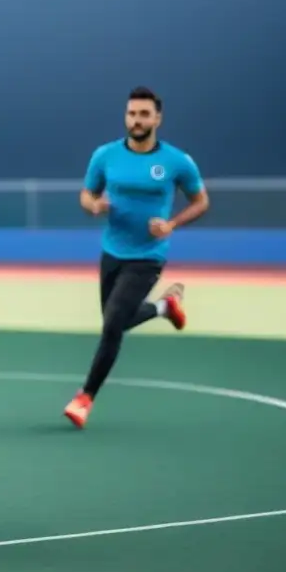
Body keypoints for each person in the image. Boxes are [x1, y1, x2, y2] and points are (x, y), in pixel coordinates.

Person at [65, 86, 210, 428]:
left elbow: (201, 201)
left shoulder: (176, 161)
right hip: (112, 252)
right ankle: (165, 307)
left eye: (144, 114)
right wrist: (94, 206)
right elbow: (86, 194)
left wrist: (171, 224)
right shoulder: (105, 155)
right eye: (132, 113)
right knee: (116, 321)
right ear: (125, 117)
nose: (137, 120)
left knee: (114, 323)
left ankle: (84, 398)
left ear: (157, 118)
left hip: (148, 255)